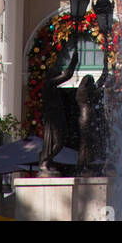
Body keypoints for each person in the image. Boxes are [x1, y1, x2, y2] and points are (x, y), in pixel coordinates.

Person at [39, 41, 78, 175]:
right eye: (56, 70)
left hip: (57, 116)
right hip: (53, 118)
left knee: (61, 140)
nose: (58, 70)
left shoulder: (52, 86)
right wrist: (73, 61)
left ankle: (47, 160)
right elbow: (67, 75)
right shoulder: (49, 84)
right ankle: (45, 160)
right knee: (59, 140)